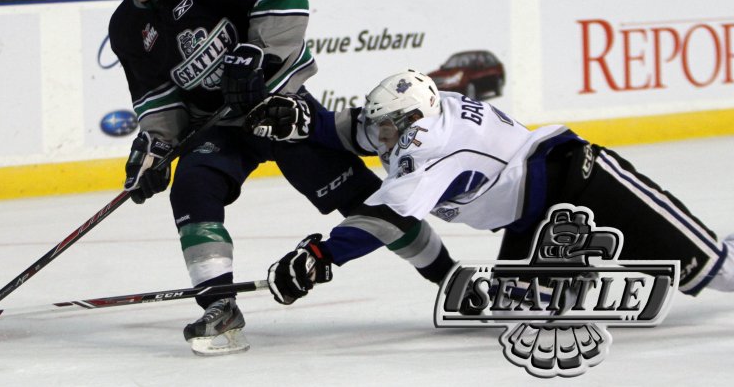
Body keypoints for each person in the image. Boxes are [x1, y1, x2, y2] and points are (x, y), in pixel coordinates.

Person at [103, 0, 455, 356]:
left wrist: (260, 57)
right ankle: (220, 308)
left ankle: (448, 275)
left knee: (362, 199)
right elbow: (159, 100)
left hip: (276, 107)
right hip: (218, 127)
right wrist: (156, 149)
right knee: (193, 189)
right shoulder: (127, 28)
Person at [244, 69, 734, 307]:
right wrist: (305, 122)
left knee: (712, 270)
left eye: (389, 128)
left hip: (585, 182)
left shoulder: (433, 145)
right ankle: (576, 263)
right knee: (516, 304)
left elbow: (387, 219)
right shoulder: (418, 115)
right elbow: (355, 129)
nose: (382, 137)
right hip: (535, 218)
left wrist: (323, 256)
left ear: (411, 122)